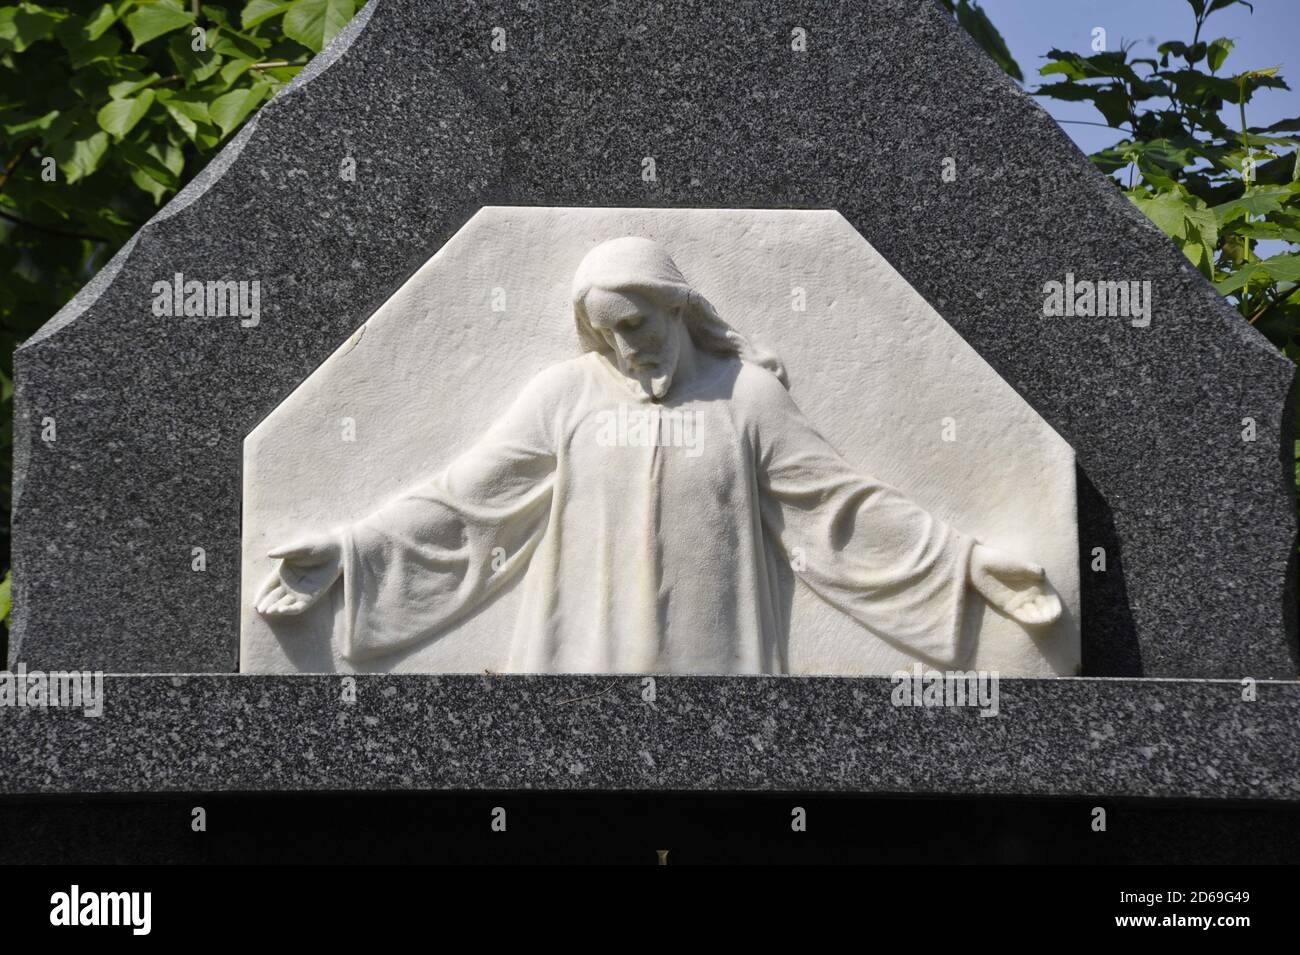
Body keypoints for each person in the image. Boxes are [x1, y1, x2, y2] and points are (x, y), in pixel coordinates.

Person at [255, 236, 1060, 673]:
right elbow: (465, 501)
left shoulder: (745, 397)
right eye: (607, 333)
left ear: (672, 305)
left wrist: (966, 563)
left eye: (635, 325)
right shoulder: (566, 394)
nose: (624, 346)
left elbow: (838, 506)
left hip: (715, 661)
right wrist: (351, 552)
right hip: (582, 662)